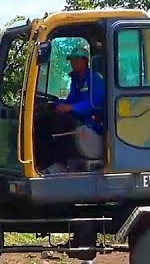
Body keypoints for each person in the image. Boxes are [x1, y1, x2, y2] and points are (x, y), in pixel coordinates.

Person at [41, 42, 106, 175]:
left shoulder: (95, 80)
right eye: (72, 60)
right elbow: (71, 100)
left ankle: (61, 164)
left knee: (60, 126)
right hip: (78, 118)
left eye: (76, 60)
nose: (73, 63)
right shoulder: (76, 81)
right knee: (47, 121)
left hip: (93, 124)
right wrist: (57, 104)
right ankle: (52, 162)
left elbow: (96, 104)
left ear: (85, 61)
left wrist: (72, 107)